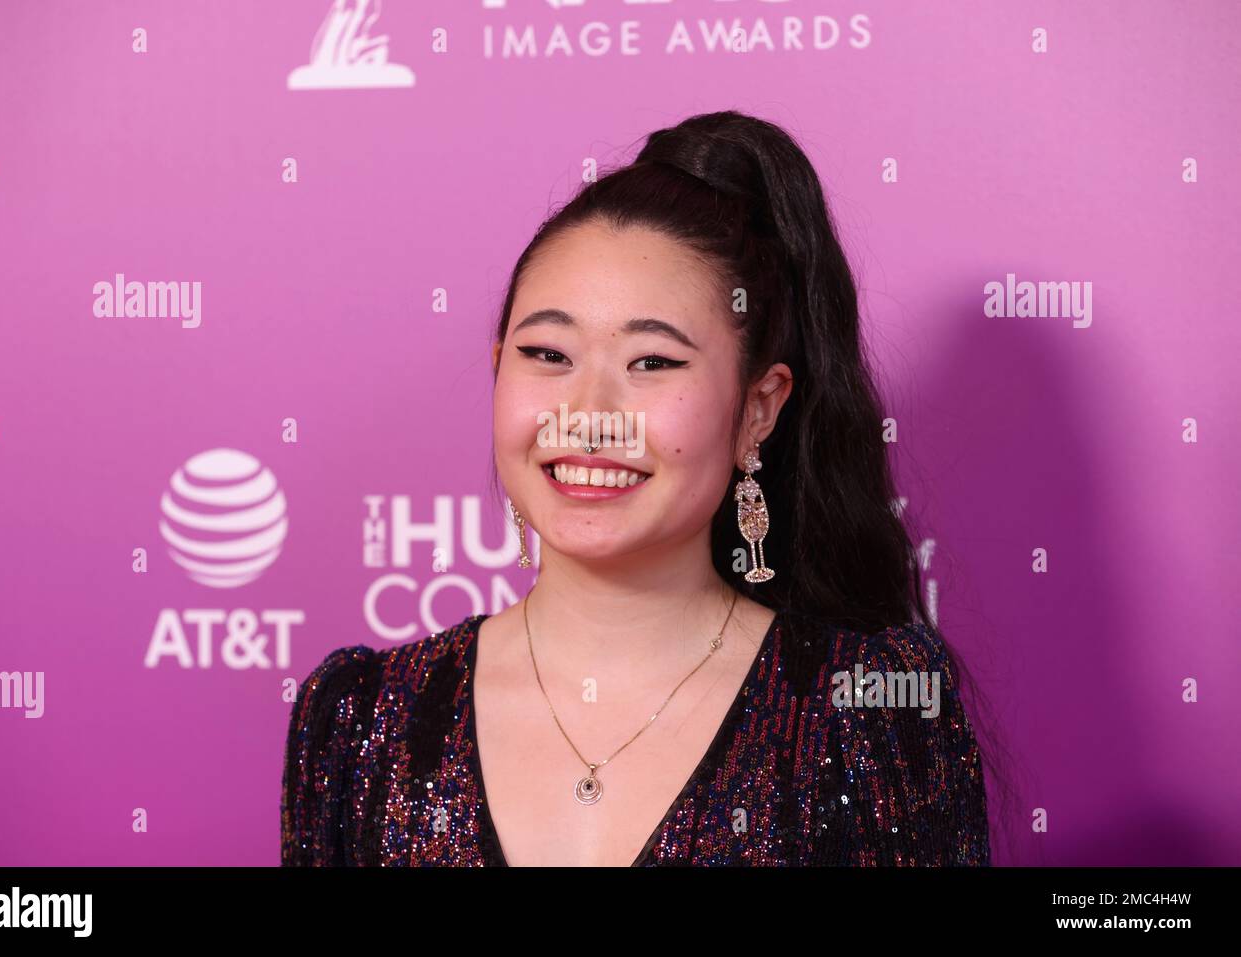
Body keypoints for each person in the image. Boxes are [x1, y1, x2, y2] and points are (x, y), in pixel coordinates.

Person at [281, 110, 991, 866]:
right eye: (548, 353)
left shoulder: (872, 712)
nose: (589, 418)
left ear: (758, 408)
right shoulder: (363, 719)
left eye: (652, 362)